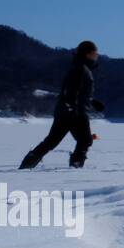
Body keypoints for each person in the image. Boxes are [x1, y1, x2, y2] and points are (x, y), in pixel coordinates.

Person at [18, 40, 105, 169]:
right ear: (89, 54)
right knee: (85, 140)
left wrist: (92, 101)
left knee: (51, 141)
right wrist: (72, 108)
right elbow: (71, 90)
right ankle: (75, 167)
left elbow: (77, 91)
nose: (97, 56)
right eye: (95, 53)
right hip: (75, 112)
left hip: (66, 111)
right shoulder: (80, 68)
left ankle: (27, 165)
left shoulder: (79, 67)